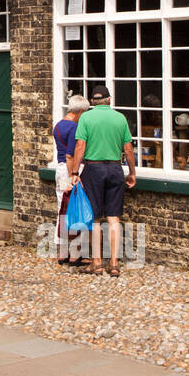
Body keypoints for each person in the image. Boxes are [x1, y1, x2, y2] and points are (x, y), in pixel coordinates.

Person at [70, 85, 137, 277]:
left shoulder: (86, 118)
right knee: (114, 217)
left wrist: (75, 172)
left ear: (92, 102)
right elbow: (129, 149)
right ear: (109, 100)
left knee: (95, 217)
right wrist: (132, 173)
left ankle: (97, 262)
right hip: (115, 168)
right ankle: (114, 263)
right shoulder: (120, 118)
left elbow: (80, 146)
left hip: (93, 169)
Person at [52, 95, 90, 265]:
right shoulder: (74, 127)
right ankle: (75, 254)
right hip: (70, 169)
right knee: (75, 211)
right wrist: (73, 176)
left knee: (62, 209)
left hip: (59, 170)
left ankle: (61, 252)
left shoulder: (58, 125)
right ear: (80, 111)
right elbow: (70, 155)